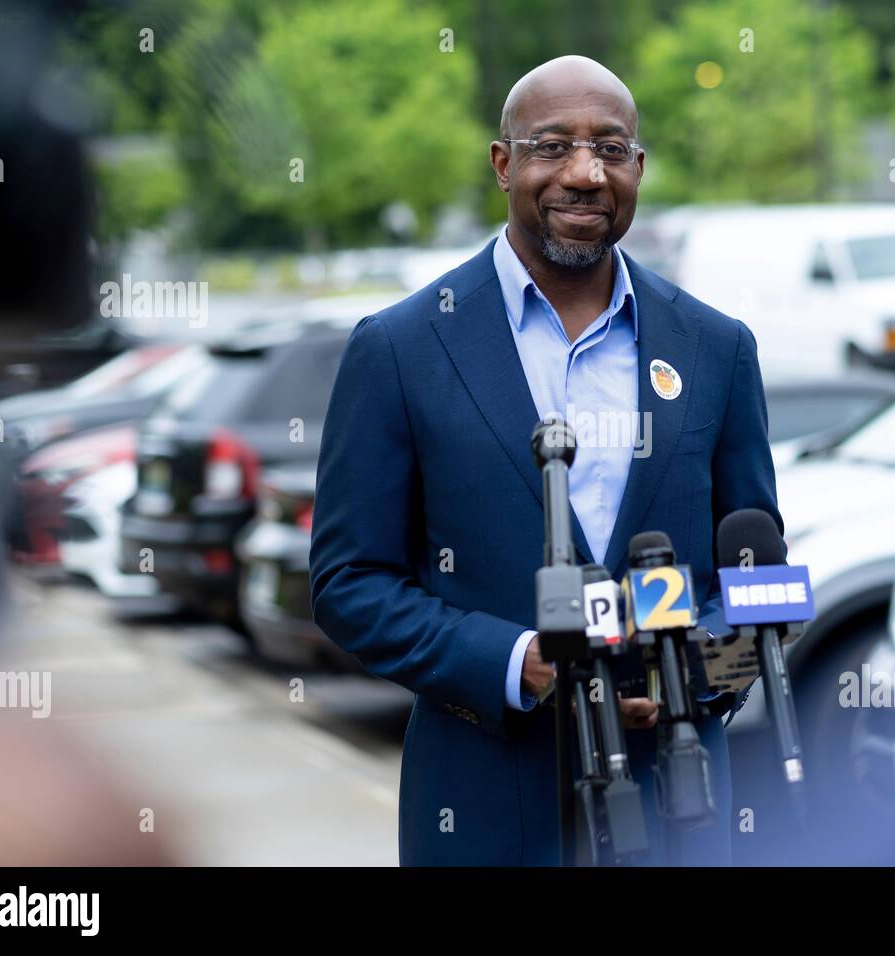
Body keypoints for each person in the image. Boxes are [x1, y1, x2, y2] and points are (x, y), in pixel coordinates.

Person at [310, 55, 781, 866]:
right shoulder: (400, 348)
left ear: (639, 166)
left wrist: (691, 676)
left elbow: (754, 571)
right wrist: (515, 662)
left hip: (680, 809)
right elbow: (349, 584)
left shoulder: (717, 348)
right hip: (488, 806)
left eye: (610, 148)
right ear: (503, 164)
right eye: (553, 146)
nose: (585, 173)